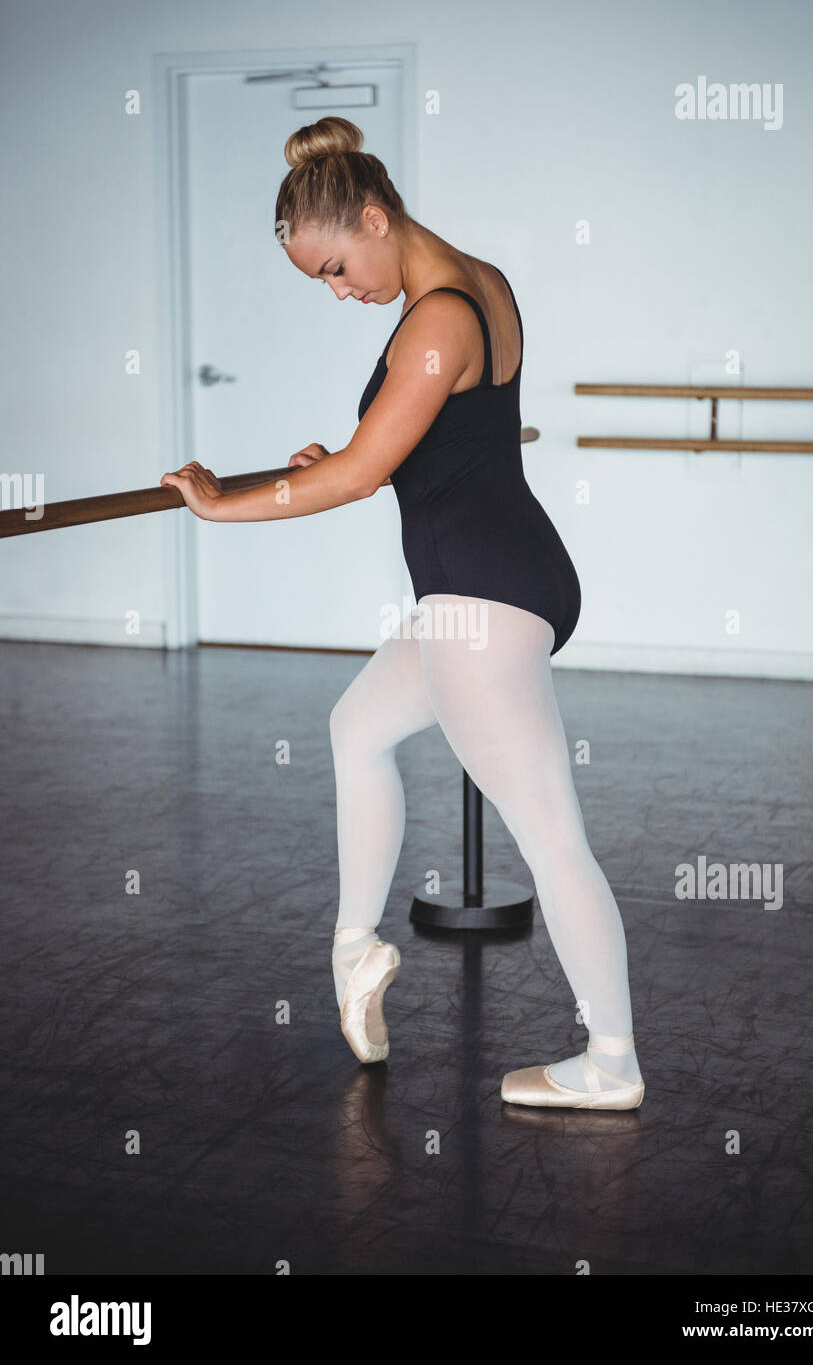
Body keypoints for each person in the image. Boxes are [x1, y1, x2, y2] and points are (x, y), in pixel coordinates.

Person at [161, 116, 644, 1111]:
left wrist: (223, 503)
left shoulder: (433, 319)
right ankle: (353, 950)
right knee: (357, 729)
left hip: (480, 597)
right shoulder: (478, 281)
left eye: (338, 267)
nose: (342, 291)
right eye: (324, 281)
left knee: (551, 834)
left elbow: (366, 473)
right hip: (498, 578)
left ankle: (612, 1060)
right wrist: (331, 457)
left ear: (374, 218)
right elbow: (422, 447)